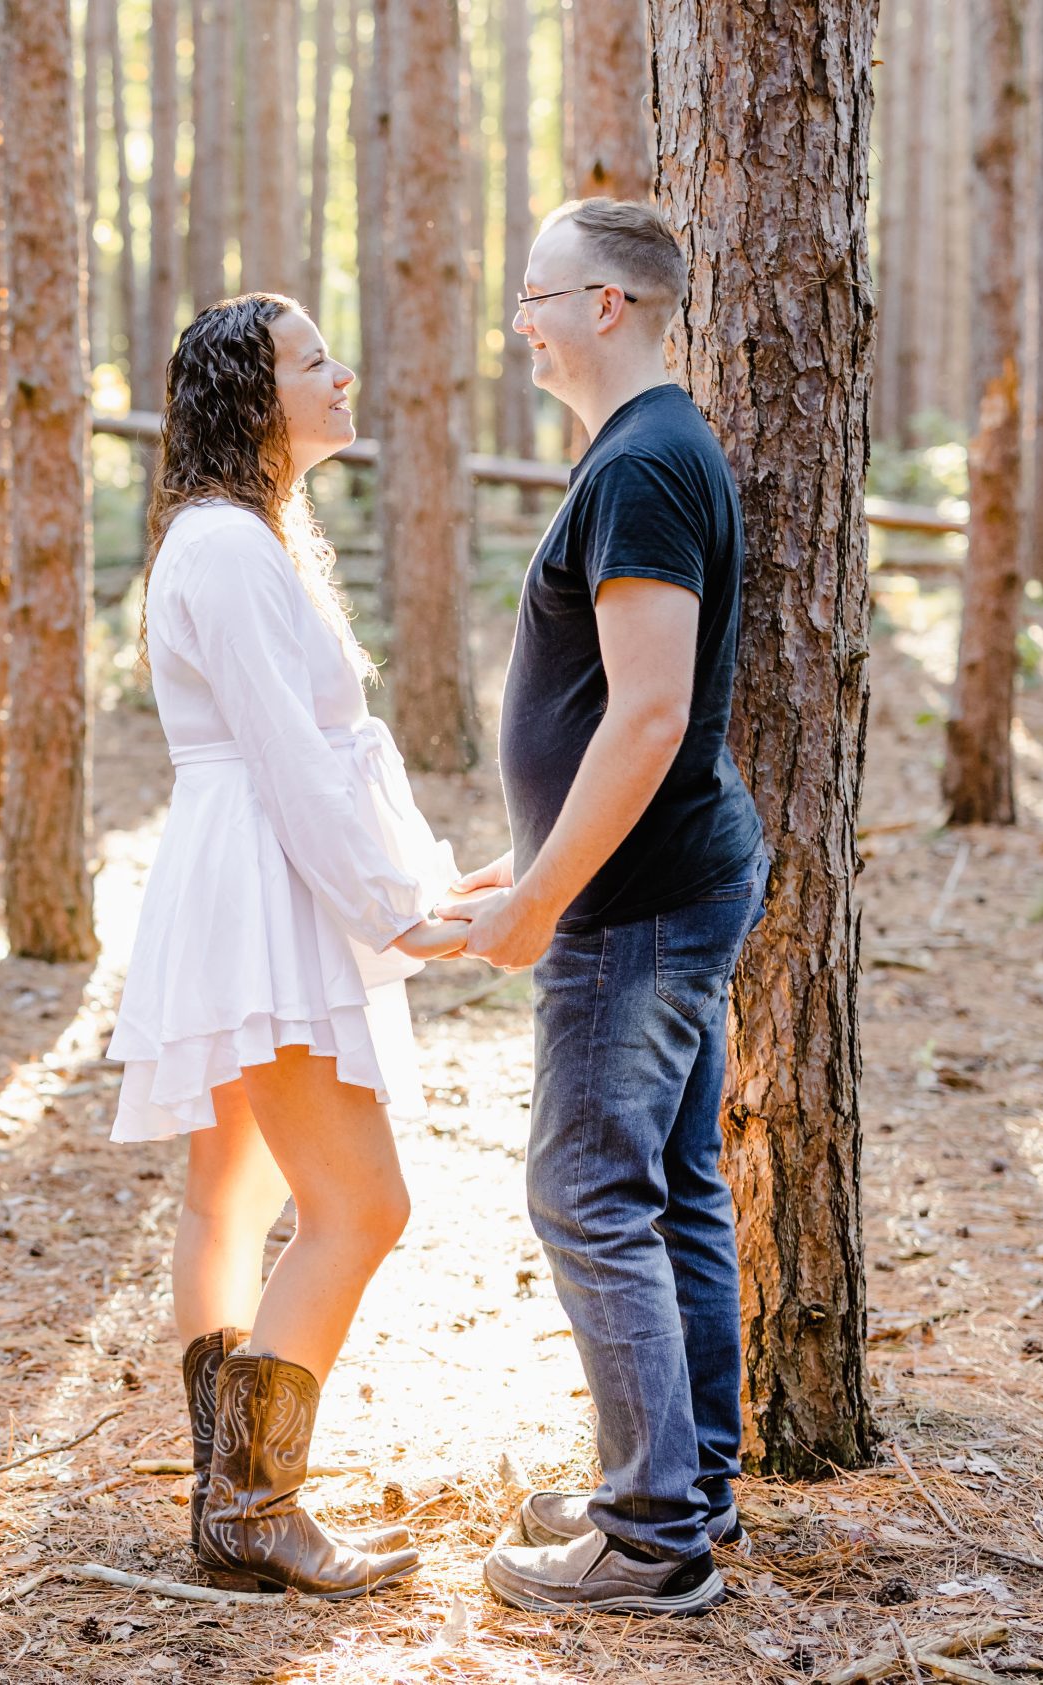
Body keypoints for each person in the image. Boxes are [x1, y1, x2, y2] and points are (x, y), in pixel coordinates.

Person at [106, 292, 473, 1598]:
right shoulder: (229, 549)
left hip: (248, 877)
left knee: (235, 1194)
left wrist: (422, 880)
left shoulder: (243, 537)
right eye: (316, 360)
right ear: (253, 398)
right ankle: (253, 1504)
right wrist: (395, 908)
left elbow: (330, 762)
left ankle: (229, 1491)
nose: (345, 372)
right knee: (362, 1203)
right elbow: (295, 765)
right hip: (259, 882)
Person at [452, 198, 769, 1617]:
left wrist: (546, 895)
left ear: (610, 306)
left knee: (587, 1189)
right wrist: (518, 864)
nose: (521, 315)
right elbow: (617, 714)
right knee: (673, 1183)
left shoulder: (643, 465)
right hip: (664, 876)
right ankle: (687, 1479)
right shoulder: (649, 450)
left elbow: (644, 718)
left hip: (636, 902)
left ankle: (650, 1537)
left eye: (539, 289)